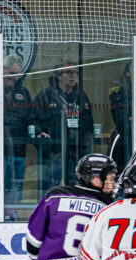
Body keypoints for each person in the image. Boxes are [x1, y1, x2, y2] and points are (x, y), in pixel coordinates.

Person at [0, 54, 47, 208]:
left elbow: (30, 118)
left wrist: (37, 131)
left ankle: (11, 221)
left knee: (14, 192)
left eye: (18, 75)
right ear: (2, 69)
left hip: (18, 151)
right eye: (12, 74)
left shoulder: (23, 93)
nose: (15, 78)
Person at [33, 60, 94, 194]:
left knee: (74, 185)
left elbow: (88, 122)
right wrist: (43, 138)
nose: (73, 76)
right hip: (54, 150)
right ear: (58, 75)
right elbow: (34, 121)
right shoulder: (46, 95)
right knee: (50, 186)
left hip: (75, 150)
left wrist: (86, 143)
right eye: (68, 72)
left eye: (75, 73)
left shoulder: (81, 96)